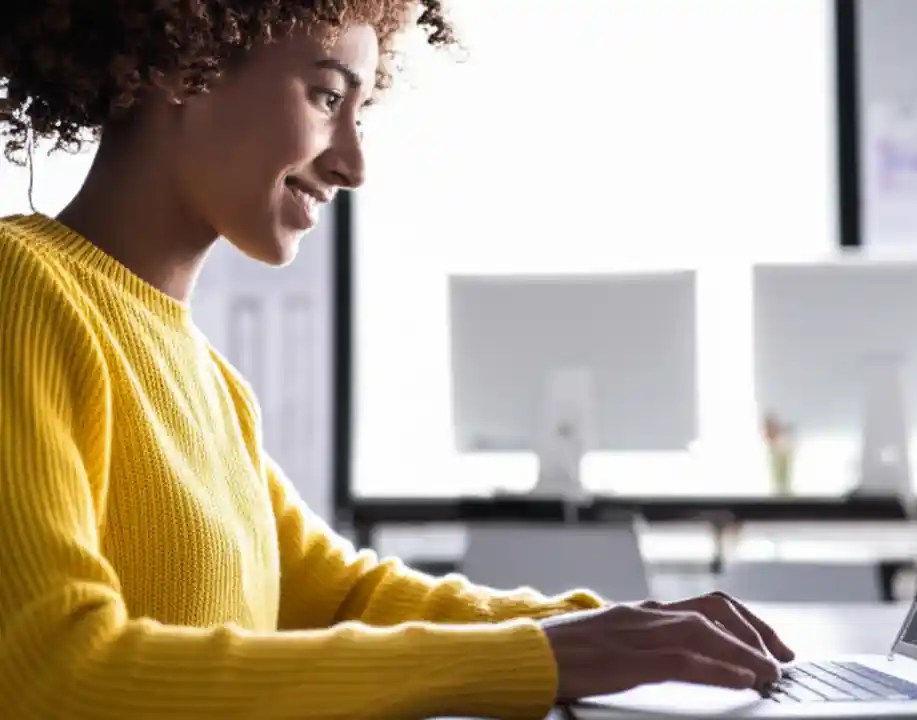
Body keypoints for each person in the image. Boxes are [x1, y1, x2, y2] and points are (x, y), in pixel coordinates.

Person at [0, 2, 793, 718]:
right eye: (327, 98)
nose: (354, 163)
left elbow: (343, 597)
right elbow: (57, 669)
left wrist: (603, 629)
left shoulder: (212, 383)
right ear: (187, 66)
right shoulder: (21, 287)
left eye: (361, 111)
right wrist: (539, 657)